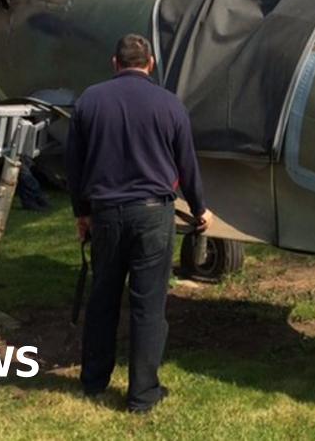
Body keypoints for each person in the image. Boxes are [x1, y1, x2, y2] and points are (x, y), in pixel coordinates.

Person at [65, 34, 211, 413]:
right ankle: (143, 394)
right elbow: (187, 164)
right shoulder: (170, 105)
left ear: (115, 62)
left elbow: (74, 167)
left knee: (103, 300)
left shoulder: (88, 102)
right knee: (149, 305)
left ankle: (94, 381)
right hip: (152, 214)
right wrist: (200, 208)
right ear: (150, 64)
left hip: (107, 215)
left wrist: (81, 213)